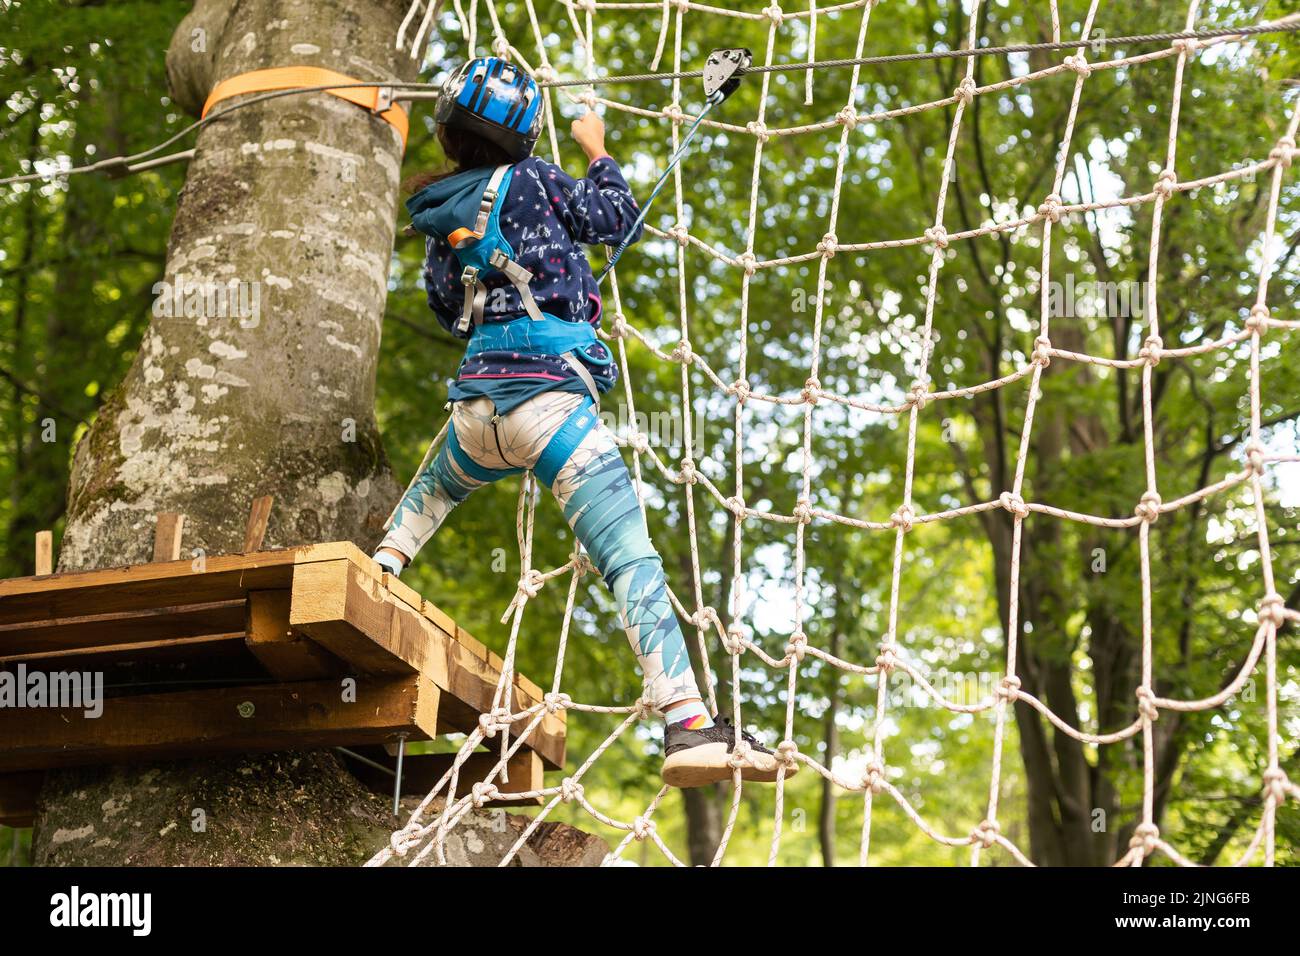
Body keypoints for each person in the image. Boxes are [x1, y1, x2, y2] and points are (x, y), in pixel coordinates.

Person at [373, 56, 794, 788]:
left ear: (447, 136)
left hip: (476, 415)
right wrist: (598, 148)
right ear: (526, 136)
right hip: (551, 411)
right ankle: (687, 724)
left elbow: (447, 309)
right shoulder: (536, 180)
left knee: (429, 495)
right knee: (628, 558)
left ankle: (380, 568)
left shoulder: (441, 213)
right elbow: (613, 220)